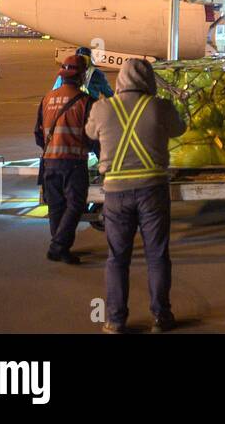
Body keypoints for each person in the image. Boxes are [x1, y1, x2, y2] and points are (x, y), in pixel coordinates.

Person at [85, 58, 186, 334]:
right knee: (157, 255)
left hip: (116, 192)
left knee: (117, 257)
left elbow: (89, 132)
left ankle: (115, 320)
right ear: (148, 80)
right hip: (153, 189)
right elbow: (180, 129)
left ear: (120, 80)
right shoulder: (159, 107)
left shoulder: (103, 108)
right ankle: (161, 316)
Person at [34, 55, 96, 265]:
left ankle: (61, 248)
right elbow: (93, 135)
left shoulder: (47, 99)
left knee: (57, 206)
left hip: (49, 161)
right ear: (81, 76)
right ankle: (58, 246)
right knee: (76, 204)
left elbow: (37, 133)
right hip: (73, 162)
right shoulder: (86, 101)